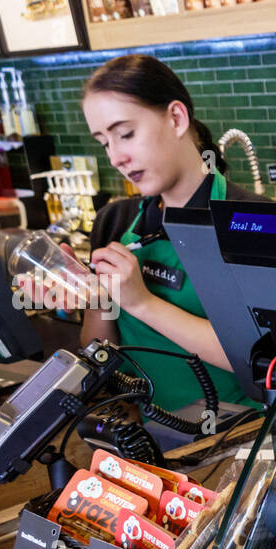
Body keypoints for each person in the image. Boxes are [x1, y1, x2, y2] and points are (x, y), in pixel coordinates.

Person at [43, 54, 263, 412]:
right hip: (142, 438)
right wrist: (96, 293)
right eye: (104, 142)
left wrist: (141, 302)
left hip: (232, 443)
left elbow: (261, 363)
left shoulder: (251, 221)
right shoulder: (115, 221)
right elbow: (97, 351)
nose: (115, 157)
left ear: (176, 118)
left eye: (126, 134)